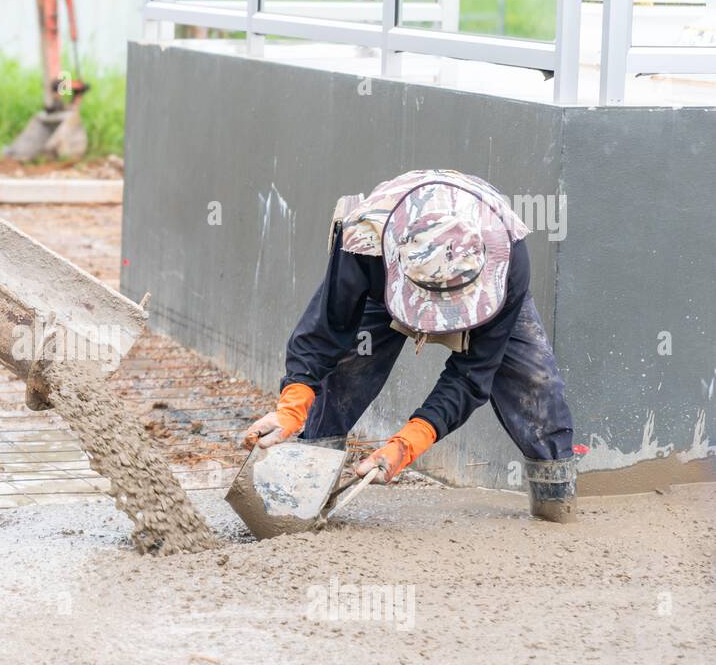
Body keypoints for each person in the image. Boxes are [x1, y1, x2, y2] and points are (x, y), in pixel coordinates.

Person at [242, 170, 577, 522]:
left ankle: (555, 504)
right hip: (383, 284)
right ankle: (307, 491)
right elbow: (326, 330)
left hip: (485, 289)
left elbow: (473, 374)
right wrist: (291, 407)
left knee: (536, 384)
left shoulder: (507, 262)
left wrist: (409, 442)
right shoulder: (362, 240)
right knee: (347, 369)